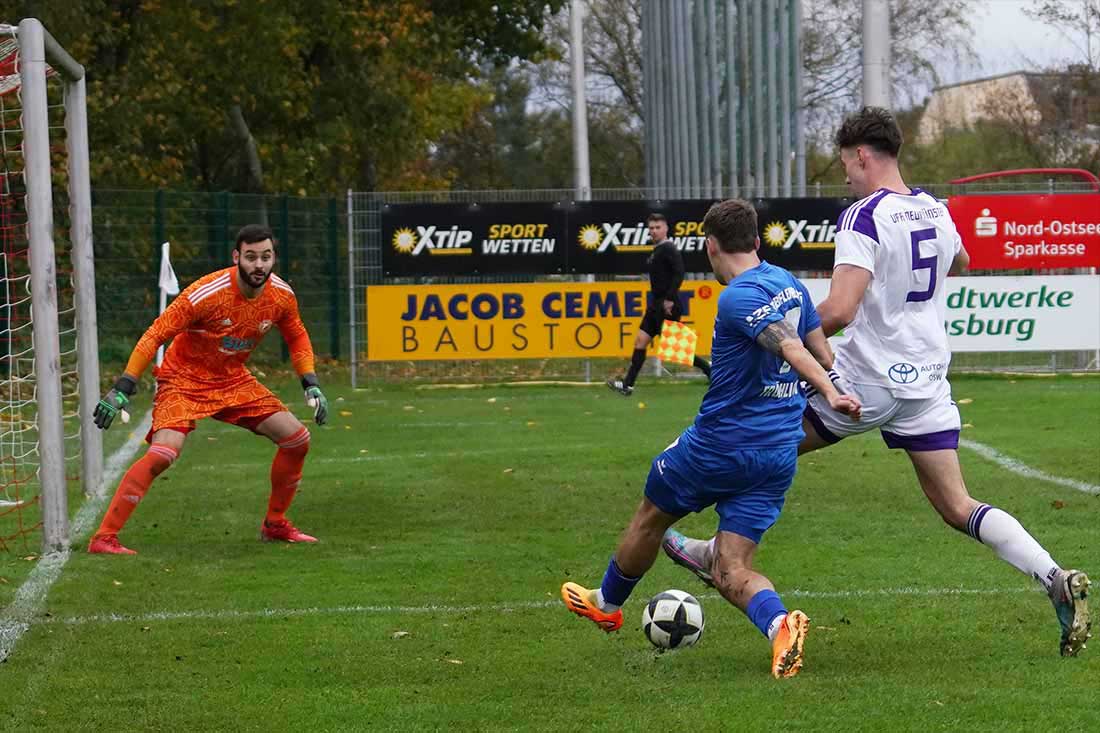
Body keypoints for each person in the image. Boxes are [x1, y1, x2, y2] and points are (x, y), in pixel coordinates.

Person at [663, 106, 1091, 658]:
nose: (846, 175)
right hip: (927, 380)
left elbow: (839, 310)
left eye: (846, 163)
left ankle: (714, 555)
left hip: (865, 381)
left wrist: (776, 331)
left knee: (756, 444)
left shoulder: (863, 216)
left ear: (863, 156)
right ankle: (1053, 575)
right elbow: (959, 257)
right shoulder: (934, 210)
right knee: (957, 503)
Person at [563, 198, 863, 679]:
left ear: (711, 246)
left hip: (718, 447)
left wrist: (830, 389)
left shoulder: (737, 296)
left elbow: (788, 344)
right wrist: (836, 379)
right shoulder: (787, 281)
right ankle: (780, 625)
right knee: (729, 568)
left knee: (651, 515)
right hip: (778, 452)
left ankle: (607, 602)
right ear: (758, 242)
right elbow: (813, 340)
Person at [87, 224, 330, 555]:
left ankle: (275, 524)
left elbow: (297, 334)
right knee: (163, 454)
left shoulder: (281, 295)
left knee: (297, 439)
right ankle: (104, 537)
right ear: (236, 257)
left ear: (274, 257)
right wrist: (123, 387)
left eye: (266, 257)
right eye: (251, 257)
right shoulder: (207, 292)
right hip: (183, 379)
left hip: (231, 378)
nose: (259, 265)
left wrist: (310, 381)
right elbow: (154, 334)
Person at [606, 212, 711, 396]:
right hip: (655, 305)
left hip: (667, 305)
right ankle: (627, 385)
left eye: (657, 227)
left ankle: (710, 370)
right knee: (640, 341)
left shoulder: (669, 248)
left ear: (665, 229)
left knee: (676, 349)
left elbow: (679, 273)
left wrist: (669, 299)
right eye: (651, 228)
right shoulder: (657, 250)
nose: (654, 231)